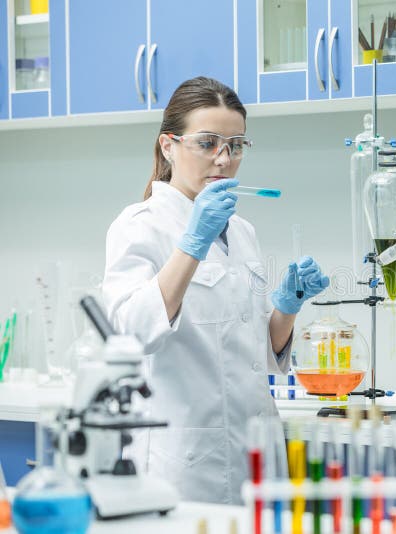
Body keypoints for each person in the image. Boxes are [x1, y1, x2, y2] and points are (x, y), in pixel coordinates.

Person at [102, 77, 329, 504]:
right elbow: (132, 334)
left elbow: (254, 354)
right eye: (207, 143)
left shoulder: (242, 231)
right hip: (187, 463)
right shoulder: (139, 225)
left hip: (256, 450)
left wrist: (287, 308)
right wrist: (192, 244)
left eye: (236, 144)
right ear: (168, 146)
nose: (223, 159)